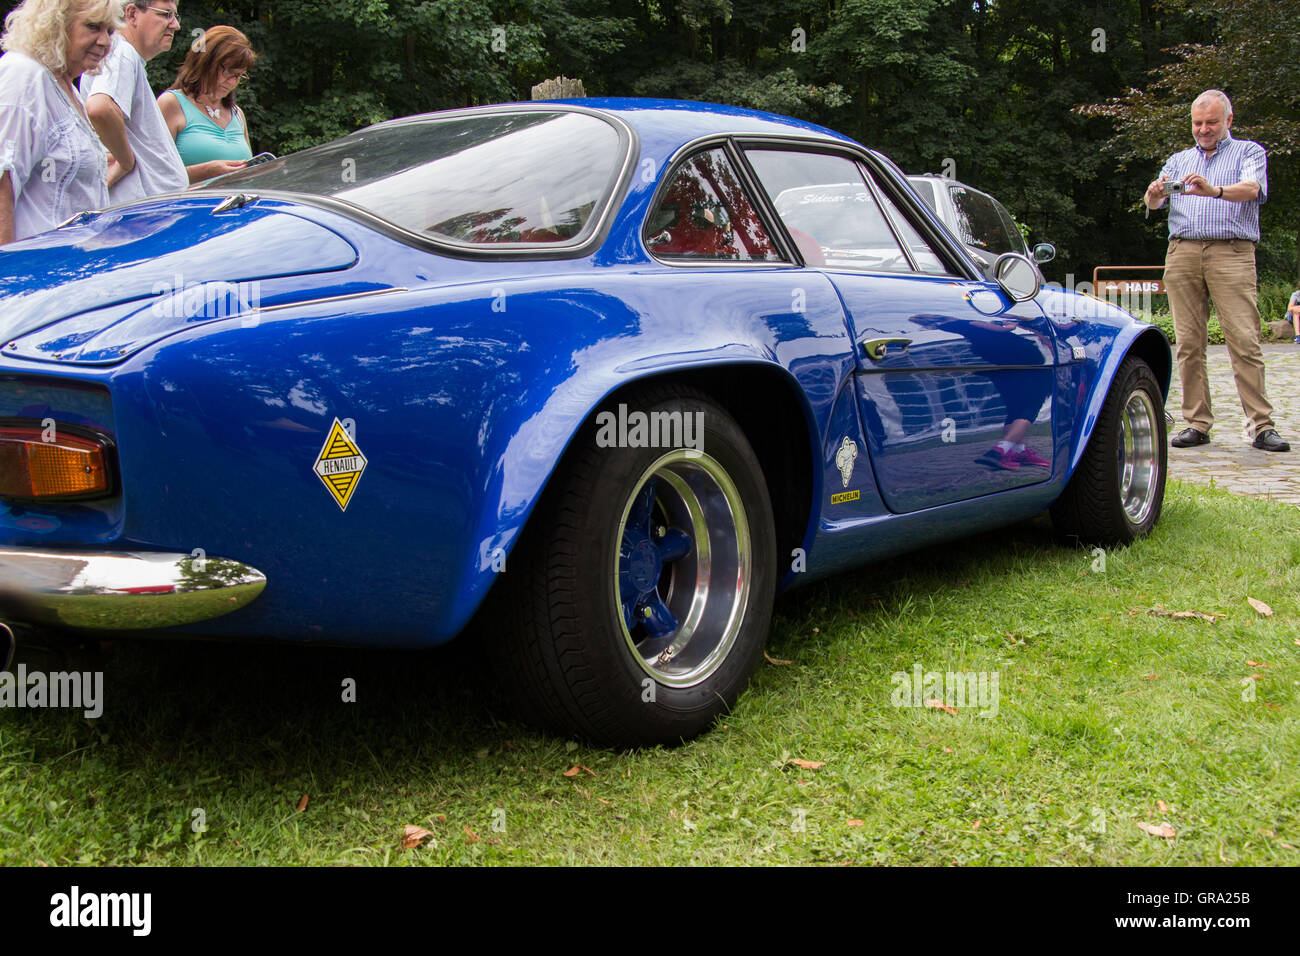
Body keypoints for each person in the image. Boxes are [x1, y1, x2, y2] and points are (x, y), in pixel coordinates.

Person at [1143, 89, 1290, 453]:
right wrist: (1154, 195)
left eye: (1211, 122)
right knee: (1188, 343)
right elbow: (1155, 202)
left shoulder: (1248, 152)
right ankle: (1196, 423)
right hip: (1183, 251)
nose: (1203, 129)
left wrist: (1214, 190)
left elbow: (1252, 189)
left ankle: (1260, 425)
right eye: (1197, 123)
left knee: (1244, 339)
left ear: (1229, 120)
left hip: (1232, 252)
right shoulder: (1178, 159)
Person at [0, 0, 115, 244]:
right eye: (93, 26)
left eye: (110, 31)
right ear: (56, 25)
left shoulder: (67, 89)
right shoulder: (24, 76)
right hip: (36, 272)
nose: (105, 42)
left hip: (72, 270)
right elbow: (2, 185)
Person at [80, 1, 186, 202]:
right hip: (142, 214)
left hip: (146, 211)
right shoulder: (122, 52)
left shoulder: (124, 56)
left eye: (175, 16)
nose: (175, 25)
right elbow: (99, 107)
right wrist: (126, 160)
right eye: (166, 14)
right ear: (132, 14)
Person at [157, 24, 254, 183]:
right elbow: (153, 172)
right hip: (192, 205)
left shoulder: (237, 114)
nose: (232, 82)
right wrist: (206, 171)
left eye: (239, 76)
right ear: (206, 62)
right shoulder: (171, 103)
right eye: (228, 71)